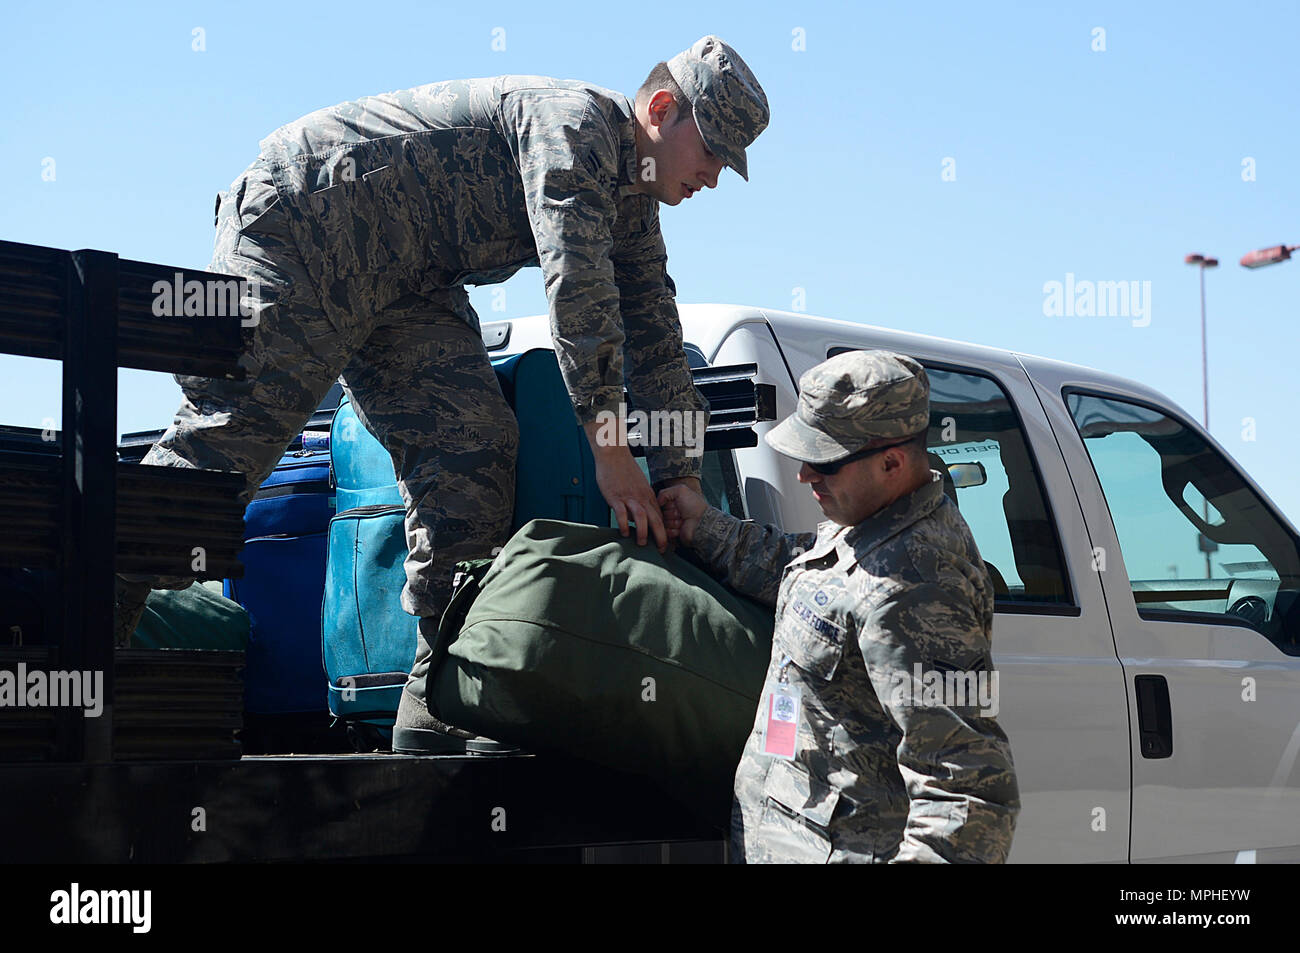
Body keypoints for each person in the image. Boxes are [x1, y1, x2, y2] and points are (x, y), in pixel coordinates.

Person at [113, 36, 770, 754]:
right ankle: (81, 629)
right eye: (710, 151)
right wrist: (612, 454)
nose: (713, 176)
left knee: (474, 448)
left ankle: (436, 696)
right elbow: (578, 290)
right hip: (307, 225)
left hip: (407, 283)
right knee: (226, 446)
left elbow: (654, 334)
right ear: (663, 108)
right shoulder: (574, 124)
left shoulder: (634, 208)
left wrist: (679, 479)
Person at [658, 350, 1020, 862]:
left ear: (892, 462)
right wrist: (703, 525)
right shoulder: (869, 524)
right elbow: (811, 570)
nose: (805, 475)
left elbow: (968, 786)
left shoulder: (915, 583)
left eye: (824, 460)